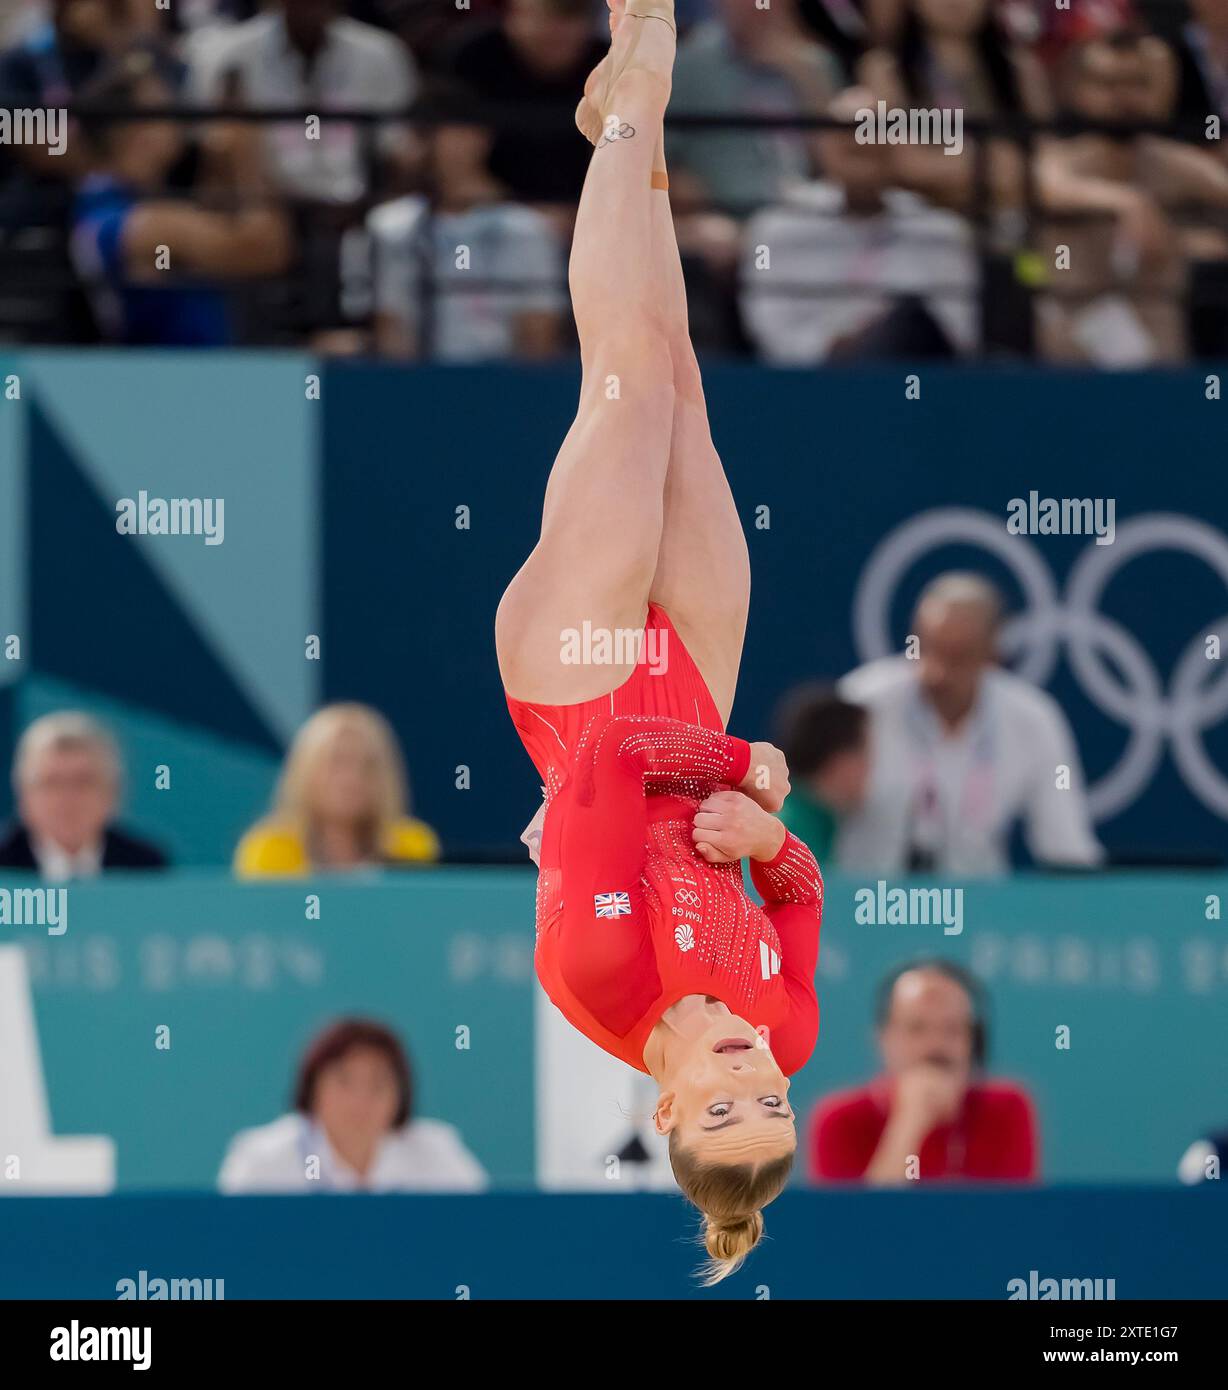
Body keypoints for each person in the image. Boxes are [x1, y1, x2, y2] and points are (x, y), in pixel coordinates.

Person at [496, 0, 823, 1284]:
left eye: (728, 1111)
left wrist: (744, 770)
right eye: (775, 1110)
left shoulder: (599, 969)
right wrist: (777, 844)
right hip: (700, 675)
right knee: (678, 372)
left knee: (620, 372)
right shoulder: (782, 1025)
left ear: (669, 1114)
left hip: (576, 691)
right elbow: (796, 892)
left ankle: (643, 74)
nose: (758, 1085)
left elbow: (609, 768)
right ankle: (624, 122)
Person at [836, 571, 1104, 875]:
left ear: (993, 653)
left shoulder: (1034, 721)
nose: (938, 672)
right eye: (929, 648)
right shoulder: (861, 704)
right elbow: (802, 819)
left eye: (958, 656)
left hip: (977, 914)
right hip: (865, 908)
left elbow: (1065, 847)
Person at [70, 44, 292, 346]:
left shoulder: (107, 202)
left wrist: (220, 162)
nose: (178, 120)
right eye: (165, 109)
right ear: (135, 130)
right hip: (176, 379)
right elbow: (265, 250)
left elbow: (210, 224)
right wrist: (245, 151)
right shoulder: (146, 225)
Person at [740, 84, 978, 363]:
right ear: (823, 146)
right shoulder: (777, 230)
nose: (862, 141)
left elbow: (959, 333)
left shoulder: (942, 234)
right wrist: (840, 346)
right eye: (848, 137)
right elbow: (770, 330)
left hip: (912, 386)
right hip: (815, 384)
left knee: (910, 319)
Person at [809, 959, 1039, 1183]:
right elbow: (854, 1220)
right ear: (884, 1039)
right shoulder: (839, 1120)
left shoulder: (1007, 1109)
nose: (934, 1045)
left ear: (973, 1042)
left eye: (952, 1029)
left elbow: (1014, 1218)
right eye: (916, 1028)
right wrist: (909, 1122)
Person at [218, 1018, 487, 1192]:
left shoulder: (437, 1153)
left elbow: (483, 1230)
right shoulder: (262, 1160)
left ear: (400, 1094)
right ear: (313, 1088)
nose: (361, 1100)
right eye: (343, 1082)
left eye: (378, 1084)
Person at [235, 703, 439, 877]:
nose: (351, 778)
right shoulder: (269, 849)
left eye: (368, 765)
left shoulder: (411, 848)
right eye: (337, 762)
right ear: (305, 771)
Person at [0, 711, 167, 878]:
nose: (66, 797)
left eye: (83, 782)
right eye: (52, 782)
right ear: (23, 793)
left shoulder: (146, 868)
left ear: (112, 791)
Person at [773, 683, 868, 864]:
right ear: (840, 761)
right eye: (865, 753)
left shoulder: (819, 824)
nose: (870, 769)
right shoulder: (785, 829)